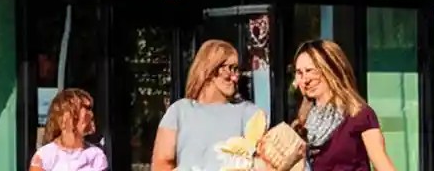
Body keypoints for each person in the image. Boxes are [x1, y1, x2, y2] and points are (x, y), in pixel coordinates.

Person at [152, 39, 283, 171]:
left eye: (237, 70)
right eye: (231, 68)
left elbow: (268, 164)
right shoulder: (179, 112)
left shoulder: (249, 113)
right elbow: (162, 164)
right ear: (210, 68)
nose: (235, 77)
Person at [291, 39, 397, 171]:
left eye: (311, 71)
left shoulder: (359, 115)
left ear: (331, 70)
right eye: (300, 73)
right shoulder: (303, 122)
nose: (306, 79)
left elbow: (383, 165)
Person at [30, 88, 108, 171]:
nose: (90, 114)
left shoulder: (96, 155)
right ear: (66, 115)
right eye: (86, 108)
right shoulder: (45, 156)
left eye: (90, 109)